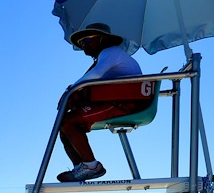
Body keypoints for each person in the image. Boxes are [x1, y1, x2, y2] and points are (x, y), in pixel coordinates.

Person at [57, 23, 147, 183]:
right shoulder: (105, 56)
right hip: (118, 101)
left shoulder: (111, 52)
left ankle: (91, 167)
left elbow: (95, 75)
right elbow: (91, 77)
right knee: (64, 124)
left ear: (102, 39)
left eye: (88, 40)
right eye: (81, 43)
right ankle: (81, 167)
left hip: (125, 103)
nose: (84, 45)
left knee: (69, 122)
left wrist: (69, 93)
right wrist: (71, 93)